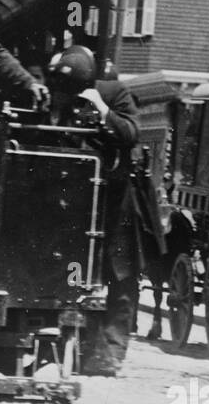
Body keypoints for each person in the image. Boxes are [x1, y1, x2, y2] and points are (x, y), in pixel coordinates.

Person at [45, 45, 144, 377]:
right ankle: (70, 347)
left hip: (112, 201)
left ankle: (110, 353)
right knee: (71, 271)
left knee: (119, 273)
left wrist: (101, 109)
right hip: (71, 199)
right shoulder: (56, 95)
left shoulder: (115, 93)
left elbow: (131, 133)